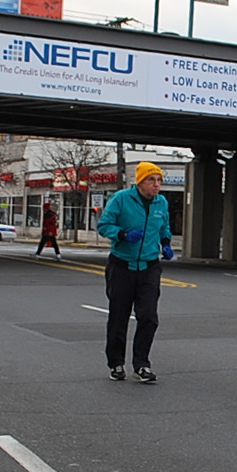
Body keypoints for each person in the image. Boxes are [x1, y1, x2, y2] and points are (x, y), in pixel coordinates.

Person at [96, 161, 173, 383]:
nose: (156, 185)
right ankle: (116, 363)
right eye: (151, 180)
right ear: (140, 182)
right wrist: (123, 235)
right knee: (119, 318)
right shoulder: (121, 199)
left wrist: (166, 243)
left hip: (149, 268)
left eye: (159, 180)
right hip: (122, 266)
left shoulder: (161, 203)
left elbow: (164, 227)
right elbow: (104, 225)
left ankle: (142, 365)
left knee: (148, 317)